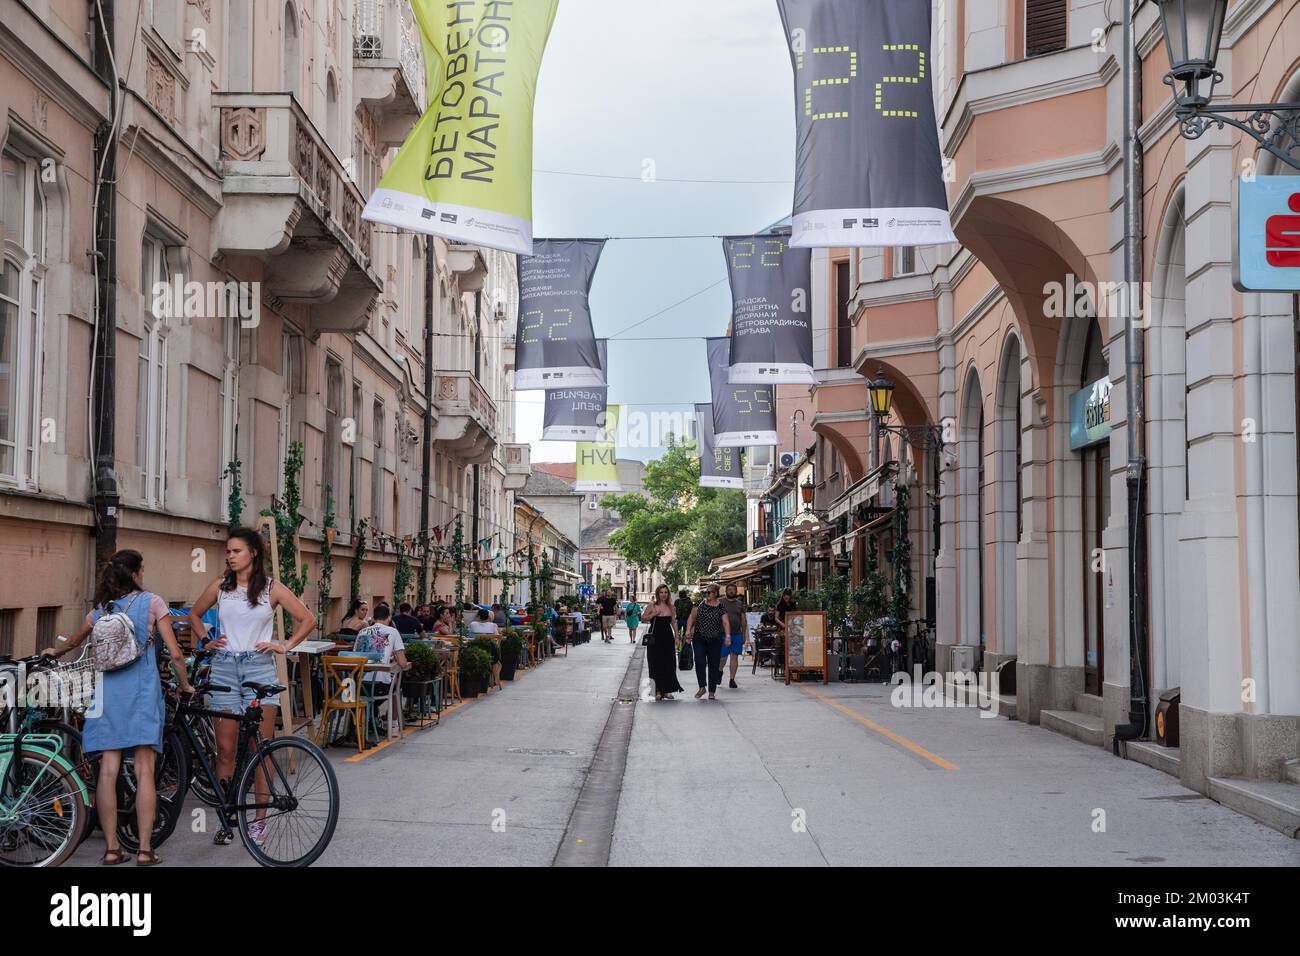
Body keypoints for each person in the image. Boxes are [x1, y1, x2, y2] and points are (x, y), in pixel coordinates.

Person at [44, 550, 193, 865]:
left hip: (107, 697)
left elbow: (73, 642)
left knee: (108, 771)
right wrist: (184, 685)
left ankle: (112, 849)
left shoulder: (101, 610)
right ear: (137, 573)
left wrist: (53, 652)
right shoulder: (152, 602)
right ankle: (144, 850)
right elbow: (176, 654)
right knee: (144, 770)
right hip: (141, 694)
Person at [188, 527, 316, 846]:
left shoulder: (271, 588)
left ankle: (259, 820)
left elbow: (307, 619)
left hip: (259, 668)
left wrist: (284, 645)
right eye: (228, 552)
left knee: (261, 747)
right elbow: (194, 614)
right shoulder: (220, 586)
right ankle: (226, 818)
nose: (230, 556)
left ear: (253, 553)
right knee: (226, 750)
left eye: (236, 551)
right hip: (225, 668)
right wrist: (206, 640)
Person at [355, 603, 410, 724]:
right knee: (397, 685)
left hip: (359, 684)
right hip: (379, 685)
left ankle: (372, 718)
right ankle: (394, 725)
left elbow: (356, 657)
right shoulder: (393, 632)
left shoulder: (362, 632)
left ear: (373, 618)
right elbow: (402, 663)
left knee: (372, 691)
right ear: (389, 617)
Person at [685, 584, 730, 700]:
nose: (707, 594)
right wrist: (688, 630)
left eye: (709, 592)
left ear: (715, 594)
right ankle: (702, 687)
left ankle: (711, 690)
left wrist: (728, 636)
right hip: (699, 638)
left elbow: (726, 622)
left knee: (713, 664)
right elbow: (691, 617)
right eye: (706, 592)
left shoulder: (721, 607)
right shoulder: (699, 604)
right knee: (699, 661)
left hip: (715, 639)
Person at [644, 585, 684, 700]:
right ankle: (656, 690)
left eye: (665, 592)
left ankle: (666, 690)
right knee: (654, 663)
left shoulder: (671, 607)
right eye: (661, 592)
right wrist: (653, 614)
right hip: (654, 638)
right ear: (658, 593)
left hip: (667, 637)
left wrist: (677, 636)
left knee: (669, 663)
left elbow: (674, 622)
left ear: (668, 594)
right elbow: (643, 618)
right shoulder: (652, 605)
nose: (663, 594)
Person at [719, 583, 749, 690]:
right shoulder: (720, 602)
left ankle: (732, 679)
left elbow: (743, 620)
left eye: (733, 590)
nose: (731, 591)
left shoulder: (740, 604)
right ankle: (720, 670)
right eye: (729, 589)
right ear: (726, 591)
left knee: (734, 656)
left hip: (736, 634)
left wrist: (744, 634)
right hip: (722, 634)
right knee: (722, 658)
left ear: (736, 591)